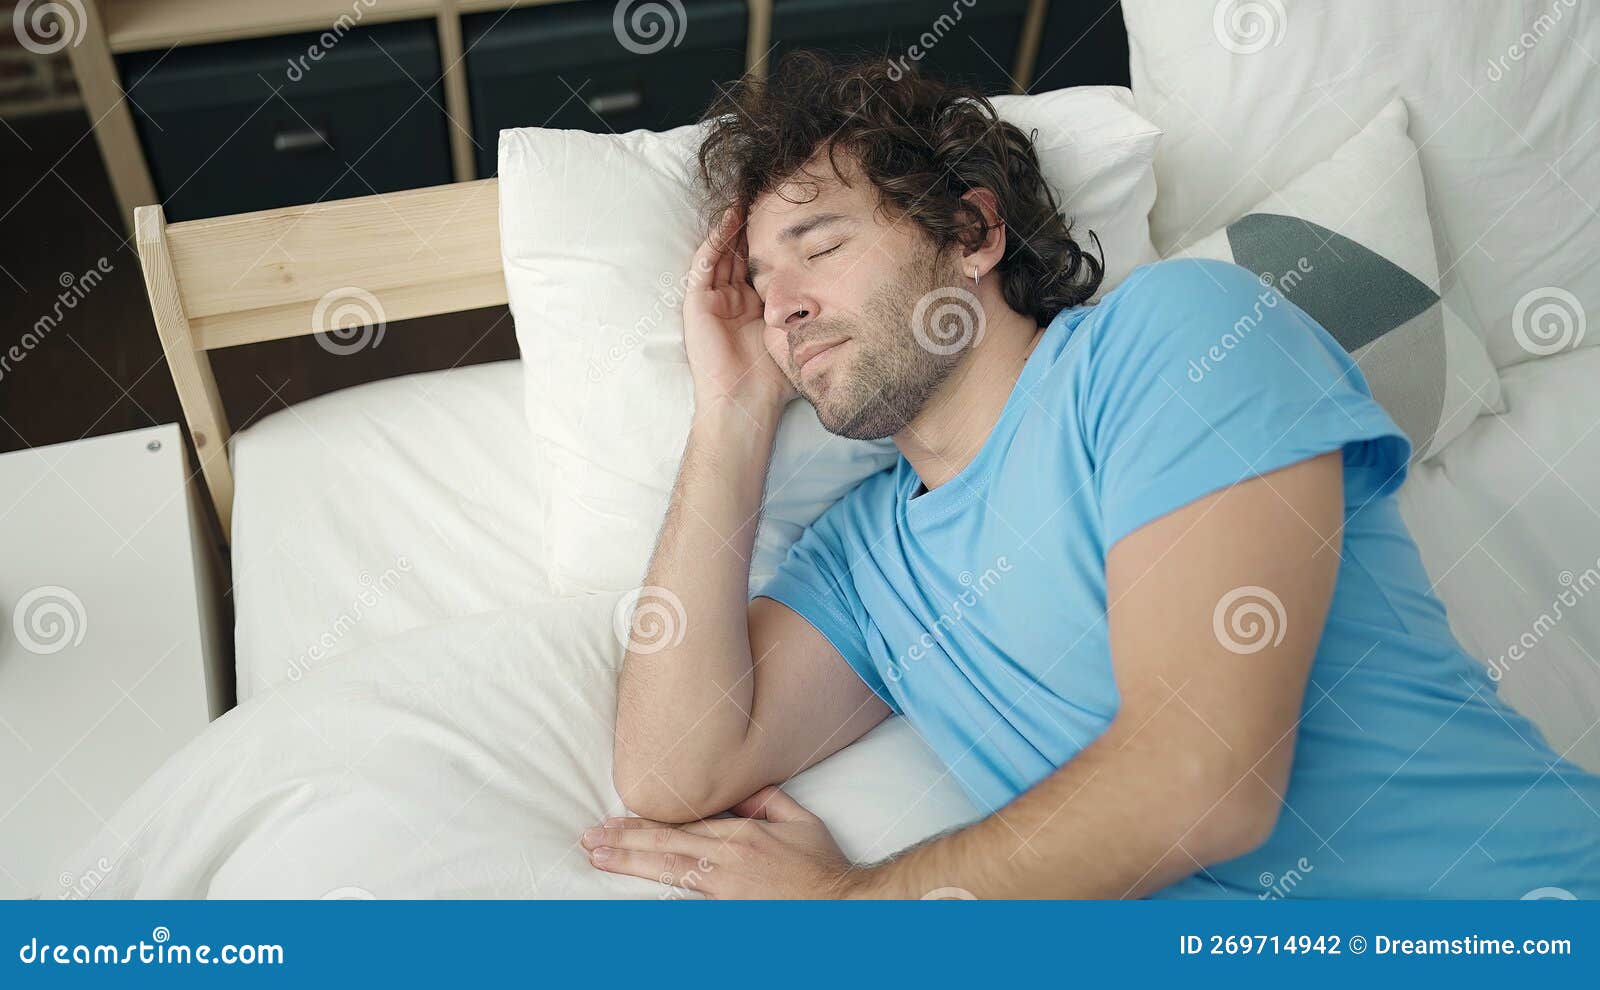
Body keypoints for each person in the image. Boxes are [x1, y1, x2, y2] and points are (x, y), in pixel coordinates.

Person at [580, 52, 1600, 898]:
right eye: (758, 285)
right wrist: (731, 411)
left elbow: (1203, 782)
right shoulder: (863, 559)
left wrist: (855, 907)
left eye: (819, 245)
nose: (781, 306)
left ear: (972, 232)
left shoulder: (1176, 339)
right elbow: (674, 771)